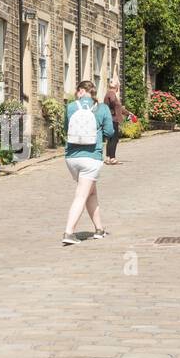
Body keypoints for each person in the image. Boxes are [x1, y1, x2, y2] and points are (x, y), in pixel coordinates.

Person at [62, 80, 115, 245]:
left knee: (91, 192)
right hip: (91, 157)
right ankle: (69, 232)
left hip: (71, 157)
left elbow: (66, 128)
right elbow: (110, 131)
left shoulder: (71, 107)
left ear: (80, 91)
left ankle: (99, 229)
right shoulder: (102, 108)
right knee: (81, 195)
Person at [104, 85, 125, 165]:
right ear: (116, 88)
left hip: (110, 119)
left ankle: (108, 158)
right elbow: (113, 102)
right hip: (113, 119)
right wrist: (113, 111)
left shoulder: (108, 94)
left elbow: (119, 108)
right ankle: (112, 158)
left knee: (110, 139)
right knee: (114, 139)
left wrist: (128, 113)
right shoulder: (111, 94)